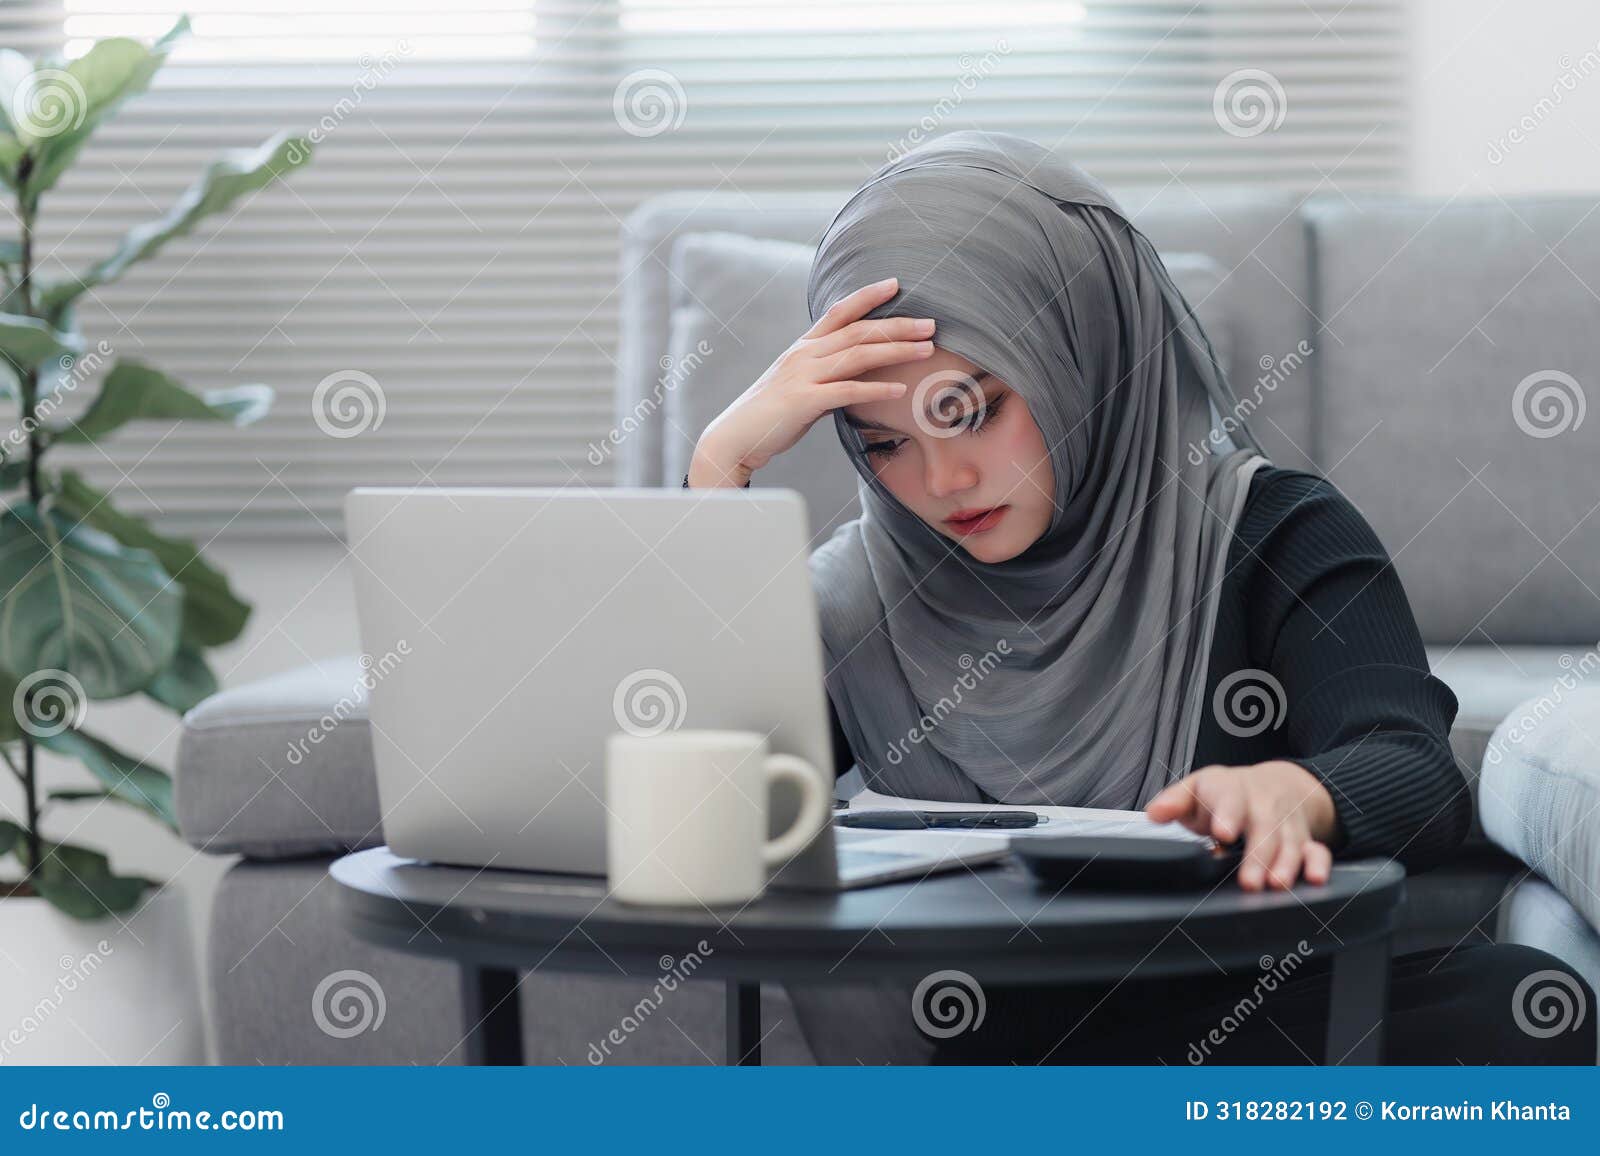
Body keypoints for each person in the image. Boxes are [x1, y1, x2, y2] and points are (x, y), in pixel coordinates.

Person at [682, 131, 1594, 1065]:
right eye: (883, 445)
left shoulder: (1271, 534)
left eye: (974, 409)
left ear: (1082, 350)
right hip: (990, 1053)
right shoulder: (855, 601)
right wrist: (718, 469)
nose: (944, 479)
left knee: (1523, 1002)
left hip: (1247, 1029)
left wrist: (1298, 790)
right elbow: (707, 800)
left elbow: (1414, 769)